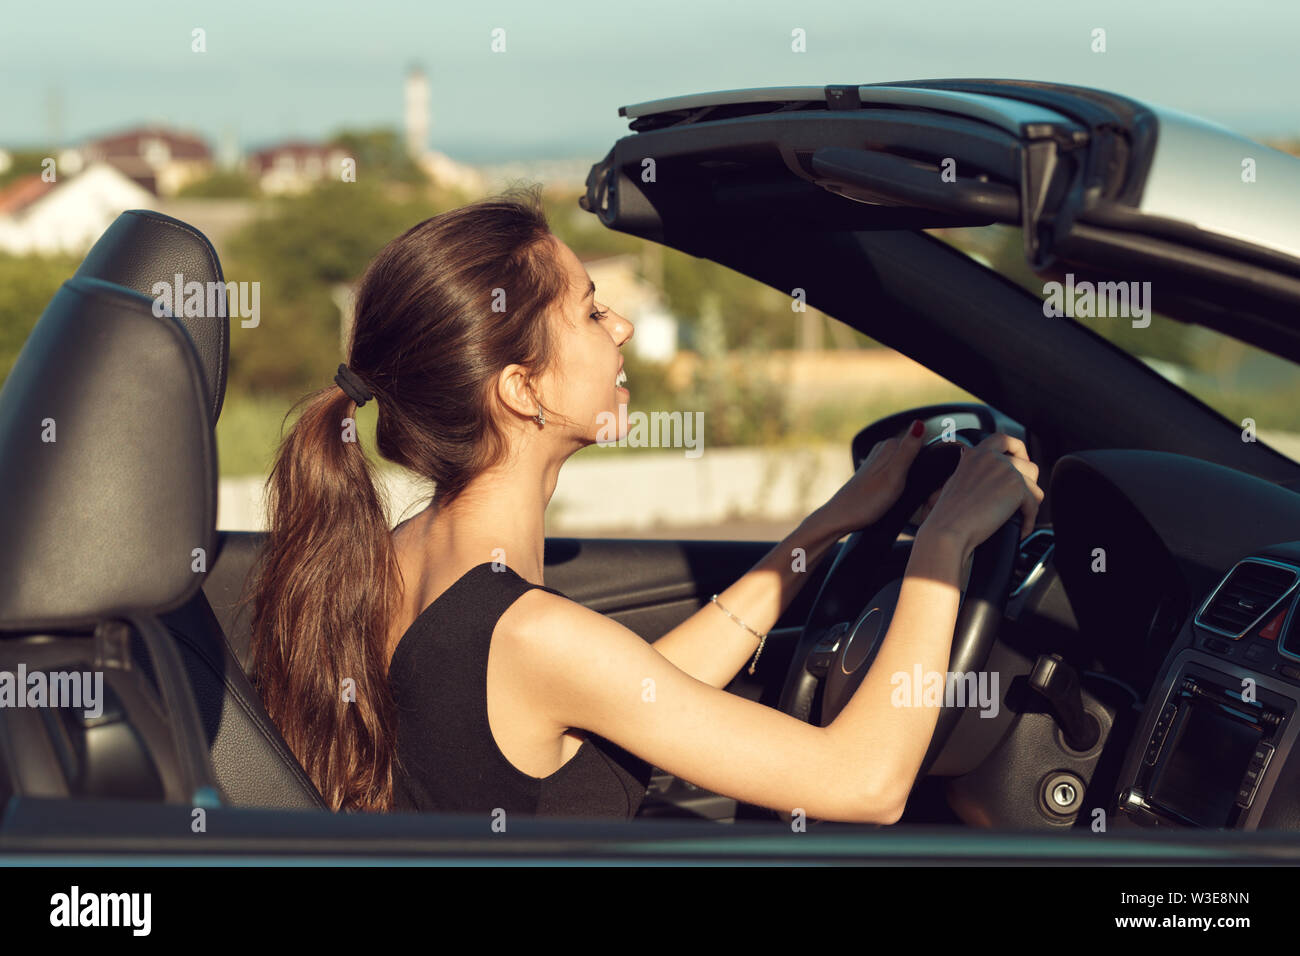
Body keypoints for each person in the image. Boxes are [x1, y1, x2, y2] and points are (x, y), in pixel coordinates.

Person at [247, 184, 1043, 820]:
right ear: (522, 390)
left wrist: (827, 527)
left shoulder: (397, 555)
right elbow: (867, 784)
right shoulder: (531, 633)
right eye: (591, 311)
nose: (622, 325)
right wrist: (943, 549)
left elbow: (632, 691)